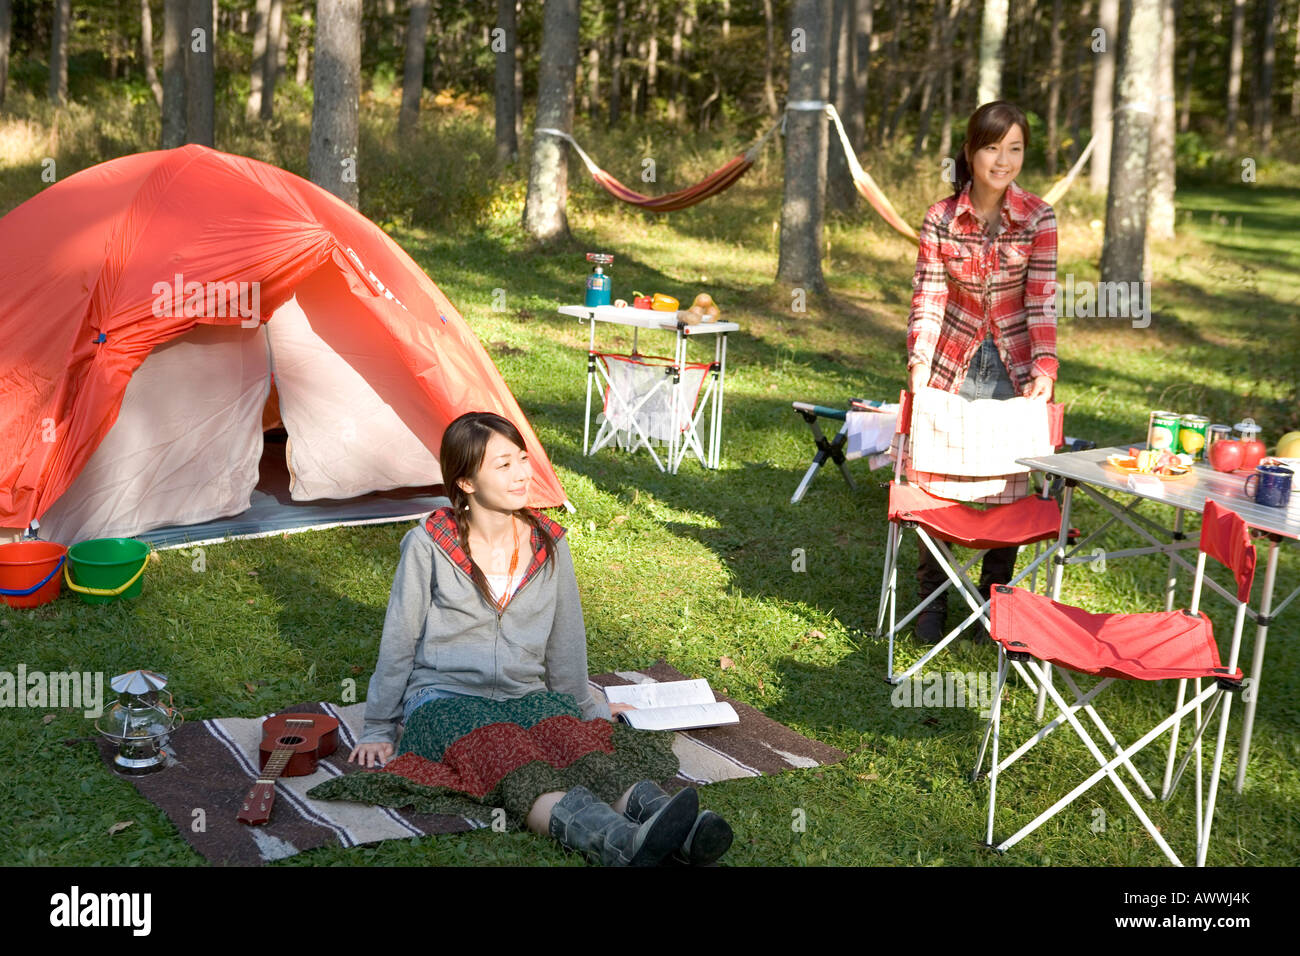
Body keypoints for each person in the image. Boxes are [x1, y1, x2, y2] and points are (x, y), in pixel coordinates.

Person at [307, 411, 733, 866]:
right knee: (508, 756)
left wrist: (585, 709)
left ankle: (677, 829)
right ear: (466, 481)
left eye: (523, 459)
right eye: (503, 464)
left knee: (578, 744)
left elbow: (566, 639)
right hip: (443, 698)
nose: (521, 474)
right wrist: (378, 726)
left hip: (526, 694)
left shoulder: (550, 543)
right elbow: (399, 640)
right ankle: (615, 842)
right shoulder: (427, 545)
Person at [905, 101, 1059, 643]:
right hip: (952, 356)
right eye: (993, 147)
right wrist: (920, 360)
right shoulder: (941, 217)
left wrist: (1044, 364)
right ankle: (931, 600)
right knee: (936, 476)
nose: (1003, 160)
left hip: (1013, 364)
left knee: (1009, 481)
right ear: (970, 151)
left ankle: (996, 599)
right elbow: (929, 296)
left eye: (1014, 148)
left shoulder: (1039, 217)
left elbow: (1040, 300)